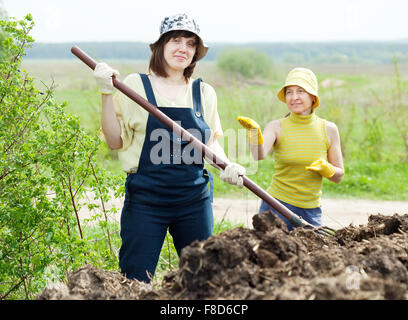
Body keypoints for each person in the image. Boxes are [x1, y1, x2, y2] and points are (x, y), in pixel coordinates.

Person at [93, 13, 245, 282]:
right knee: (135, 279)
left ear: (196, 53)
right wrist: (106, 94)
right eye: (176, 40)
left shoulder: (203, 92)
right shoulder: (135, 86)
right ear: (160, 46)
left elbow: (211, 144)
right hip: (146, 200)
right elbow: (114, 141)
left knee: (204, 278)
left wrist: (227, 164)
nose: (183, 48)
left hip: (193, 200)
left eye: (190, 43)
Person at [238, 67, 344, 230]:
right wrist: (253, 133)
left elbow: (338, 176)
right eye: (289, 92)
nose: (294, 97)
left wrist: (327, 169)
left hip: (311, 210)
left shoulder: (329, 129)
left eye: (301, 91)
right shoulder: (276, 127)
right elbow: (258, 155)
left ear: (313, 97)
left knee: (314, 254)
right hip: (276, 206)